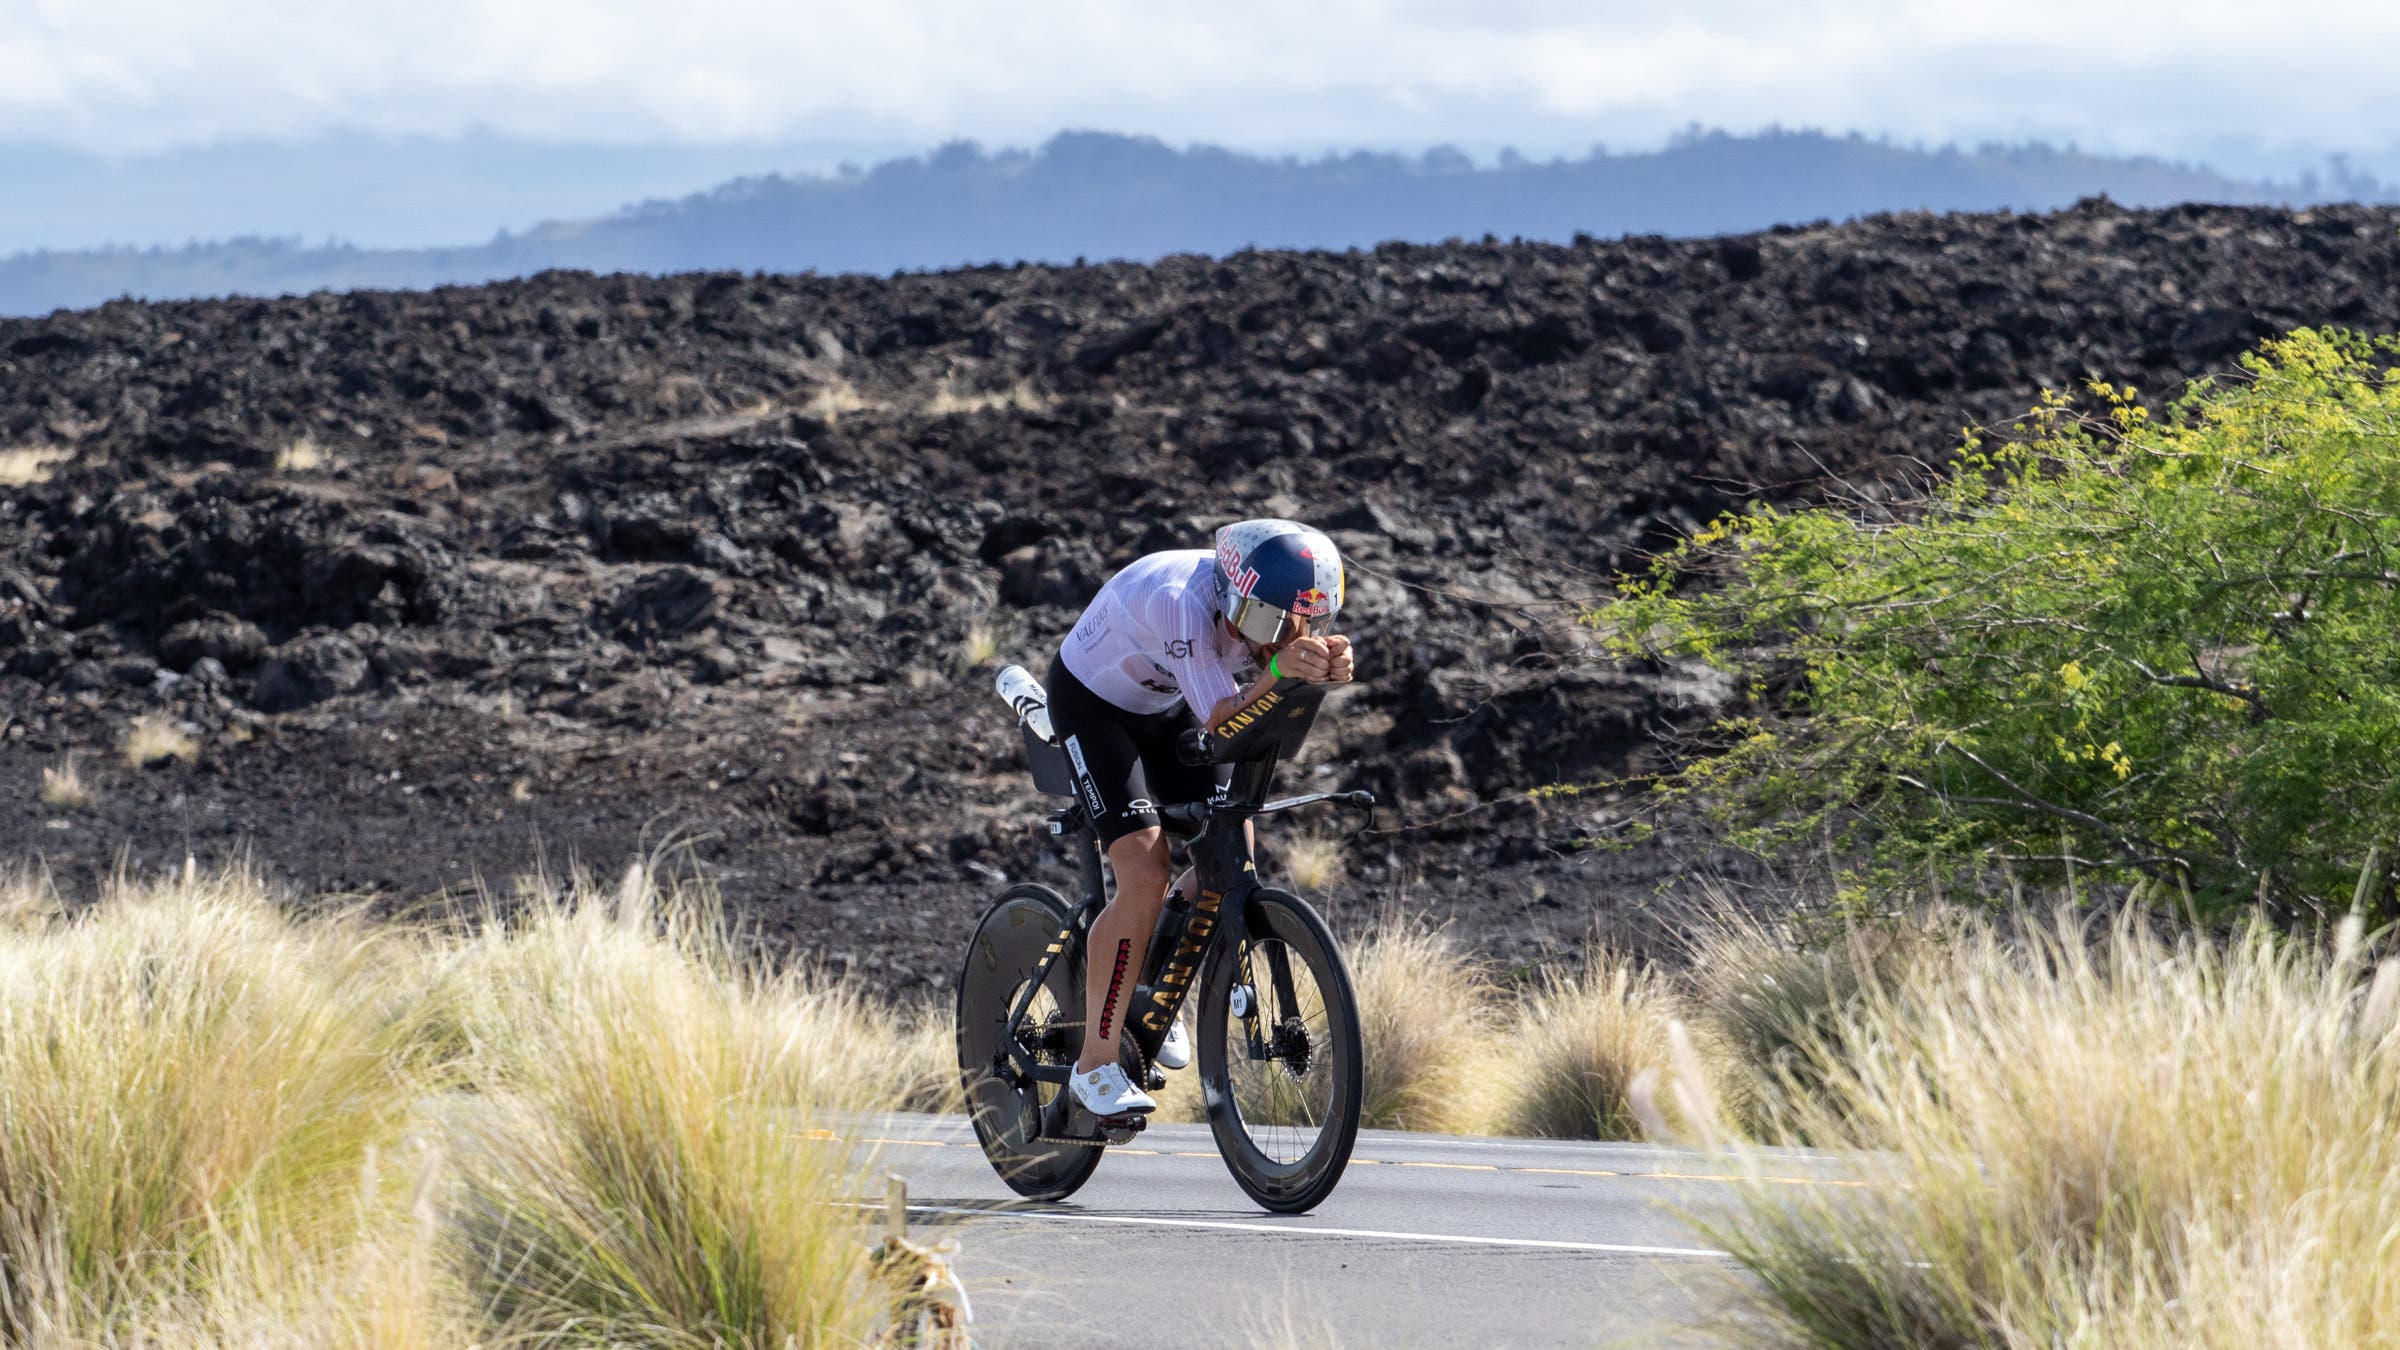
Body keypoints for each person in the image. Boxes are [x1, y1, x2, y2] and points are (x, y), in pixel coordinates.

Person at [1043, 519, 1356, 1118]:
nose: (1284, 636)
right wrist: (1283, 672)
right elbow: (1220, 716)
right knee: (1145, 868)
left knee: (1229, 847)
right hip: (1094, 706)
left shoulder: (1270, 608)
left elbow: (1267, 683)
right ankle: (1093, 1066)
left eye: (1309, 623)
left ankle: (1148, 983)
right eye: (1270, 623)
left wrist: (1328, 664)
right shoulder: (1180, 604)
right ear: (1234, 594)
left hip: (1166, 704)